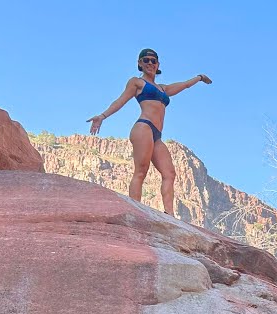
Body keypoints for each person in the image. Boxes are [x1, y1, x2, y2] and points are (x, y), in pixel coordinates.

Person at [86, 48, 212, 213]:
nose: (150, 63)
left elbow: (185, 85)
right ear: (140, 63)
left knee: (169, 173)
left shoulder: (163, 89)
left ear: (158, 64)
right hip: (143, 127)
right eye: (146, 60)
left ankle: (169, 214)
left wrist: (200, 77)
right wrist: (102, 116)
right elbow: (120, 100)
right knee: (141, 170)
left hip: (157, 136)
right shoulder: (137, 83)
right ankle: (135, 211)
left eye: (153, 61)